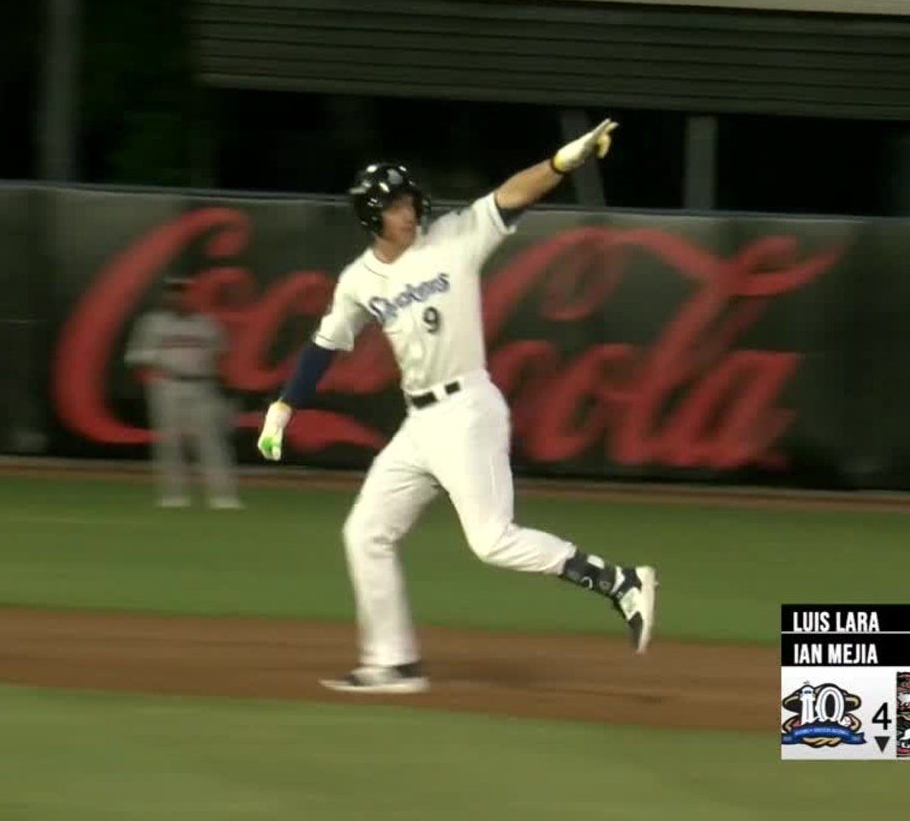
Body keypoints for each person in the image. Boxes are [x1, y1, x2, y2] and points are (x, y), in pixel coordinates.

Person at [256, 119, 658, 694]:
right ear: (372, 216)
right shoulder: (358, 280)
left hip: (467, 407)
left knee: (492, 540)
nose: (408, 209)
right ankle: (390, 663)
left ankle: (620, 582)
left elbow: (510, 194)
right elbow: (326, 345)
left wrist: (563, 161)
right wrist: (283, 406)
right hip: (419, 424)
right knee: (365, 531)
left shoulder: (453, 236)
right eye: (395, 205)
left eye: (409, 198)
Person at [125, 276, 241, 509]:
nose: (178, 296)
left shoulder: (207, 324)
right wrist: (150, 379)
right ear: (166, 296)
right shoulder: (152, 324)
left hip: (202, 384)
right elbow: (136, 358)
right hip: (167, 384)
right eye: (173, 292)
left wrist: (226, 386)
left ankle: (222, 495)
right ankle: (173, 495)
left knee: (211, 442)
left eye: (183, 292)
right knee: (169, 443)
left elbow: (221, 357)